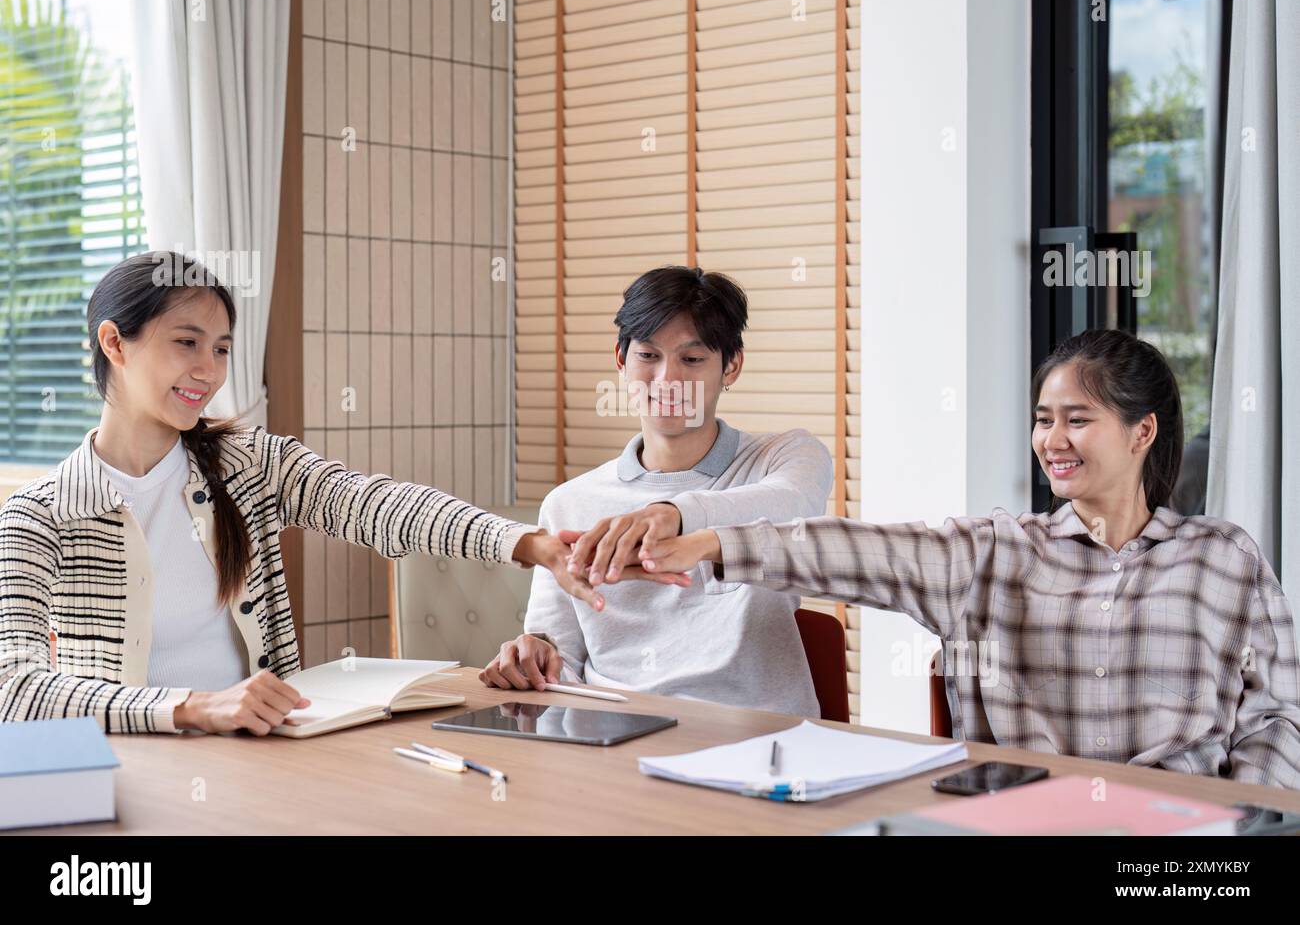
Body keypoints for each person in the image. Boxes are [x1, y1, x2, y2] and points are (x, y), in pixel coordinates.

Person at [0, 252, 680, 737]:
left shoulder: (246, 464)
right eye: (187, 343)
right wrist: (193, 707)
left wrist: (524, 543)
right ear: (115, 343)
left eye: (223, 349)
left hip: (272, 754)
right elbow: (14, 687)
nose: (208, 371)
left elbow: (374, 505)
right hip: (133, 774)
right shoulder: (40, 515)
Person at [629, 329, 1300, 788]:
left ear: (1142, 431)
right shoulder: (994, 552)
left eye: (1077, 418)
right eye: (1043, 419)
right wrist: (710, 543)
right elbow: (857, 550)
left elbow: (1277, 718)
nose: (1053, 440)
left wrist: (1242, 823)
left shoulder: (1223, 560)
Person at [480, 266, 832, 716]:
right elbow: (559, 658)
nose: (667, 381)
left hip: (758, 738)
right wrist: (534, 655)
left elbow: (789, 507)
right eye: (648, 355)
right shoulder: (570, 502)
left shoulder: (785, 458)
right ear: (621, 360)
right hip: (617, 735)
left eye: (691, 359)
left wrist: (672, 514)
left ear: (732, 366)